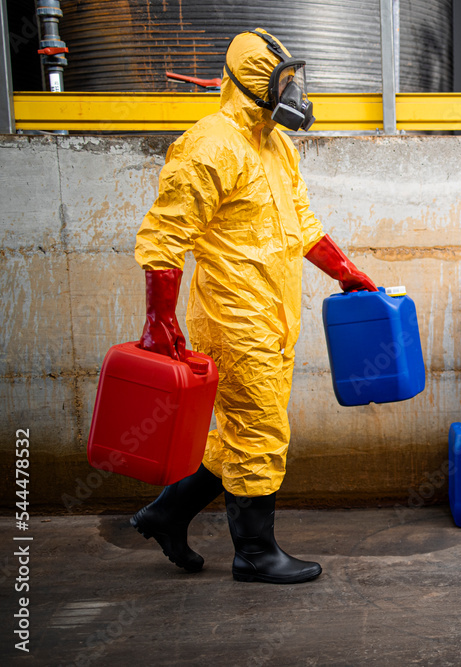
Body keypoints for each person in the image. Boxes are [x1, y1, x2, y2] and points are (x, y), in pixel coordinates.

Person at [130, 29, 376, 584]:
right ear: (251, 82)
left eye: (294, 77)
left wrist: (346, 273)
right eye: (282, 78)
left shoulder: (276, 145)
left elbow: (302, 226)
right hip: (234, 318)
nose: (293, 88)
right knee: (261, 432)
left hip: (275, 312)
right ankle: (255, 554)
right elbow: (165, 237)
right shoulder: (209, 144)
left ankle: (166, 515)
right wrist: (159, 316)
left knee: (237, 434)